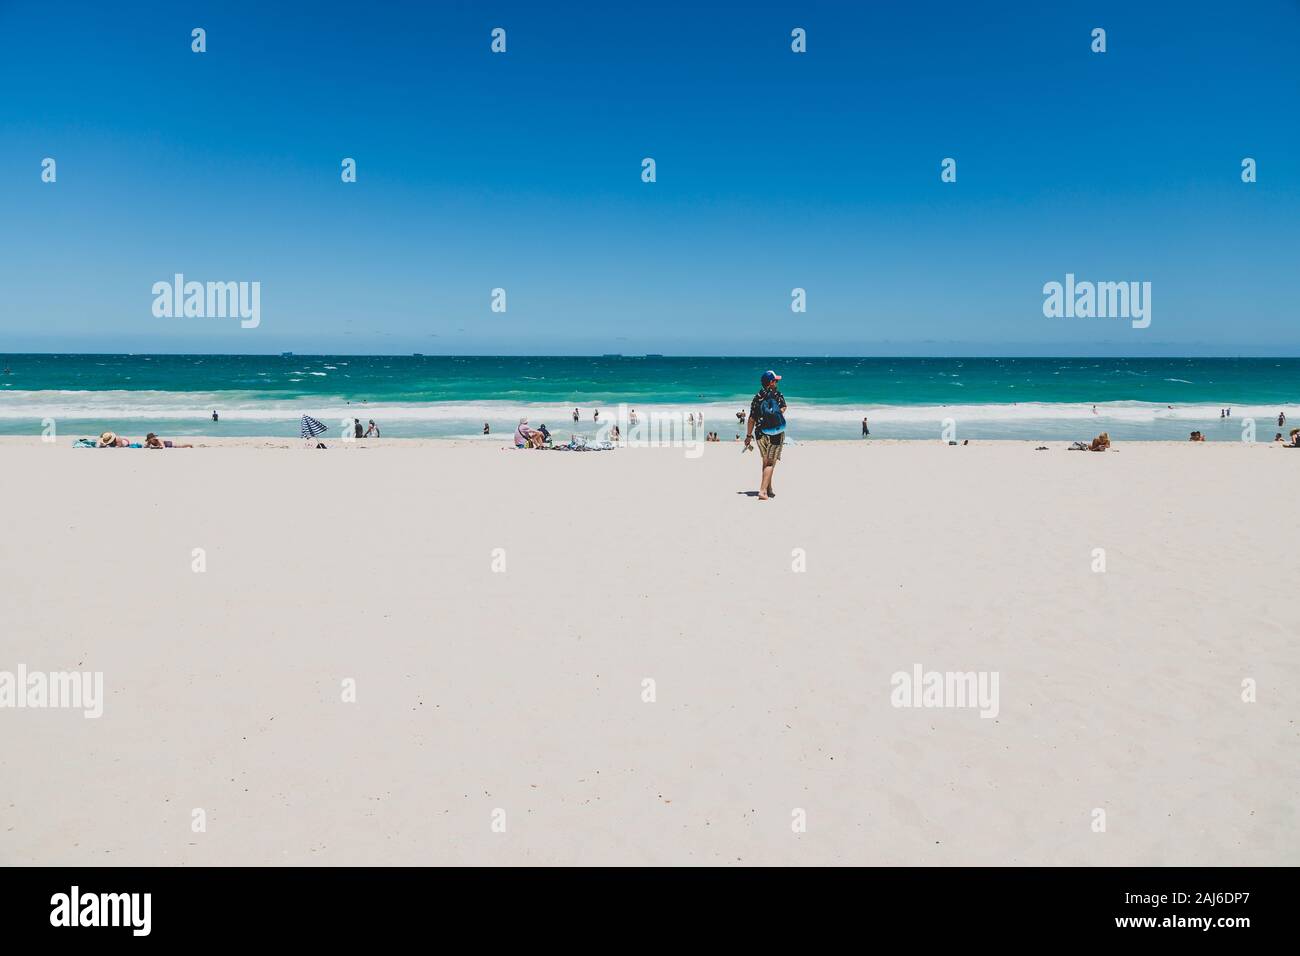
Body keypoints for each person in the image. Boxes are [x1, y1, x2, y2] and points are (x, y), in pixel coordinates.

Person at [744, 370, 787, 501]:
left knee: (765, 460)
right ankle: (762, 491)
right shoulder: (777, 395)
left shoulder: (757, 397)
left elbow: (751, 419)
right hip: (776, 433)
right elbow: (784, 408)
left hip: (760, 434)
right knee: (771, 463)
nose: (777, 383)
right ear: (771, 382)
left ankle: (768, 488)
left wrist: (748, 436)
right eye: (776, 381)